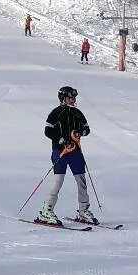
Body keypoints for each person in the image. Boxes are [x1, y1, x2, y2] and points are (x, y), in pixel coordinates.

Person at [38, 86, 95, 225]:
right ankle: (47, 210)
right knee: (58, 181)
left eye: (74, 97)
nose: (73, 100)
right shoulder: (56, 113)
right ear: (63, 98)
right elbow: (48, 131)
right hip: (60, 151)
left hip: (75, 151)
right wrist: (61, 139)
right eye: (70, 97)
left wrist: (80, 132)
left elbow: (87, 129)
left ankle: (83, 210)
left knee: (81, 181)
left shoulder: (78, 113)